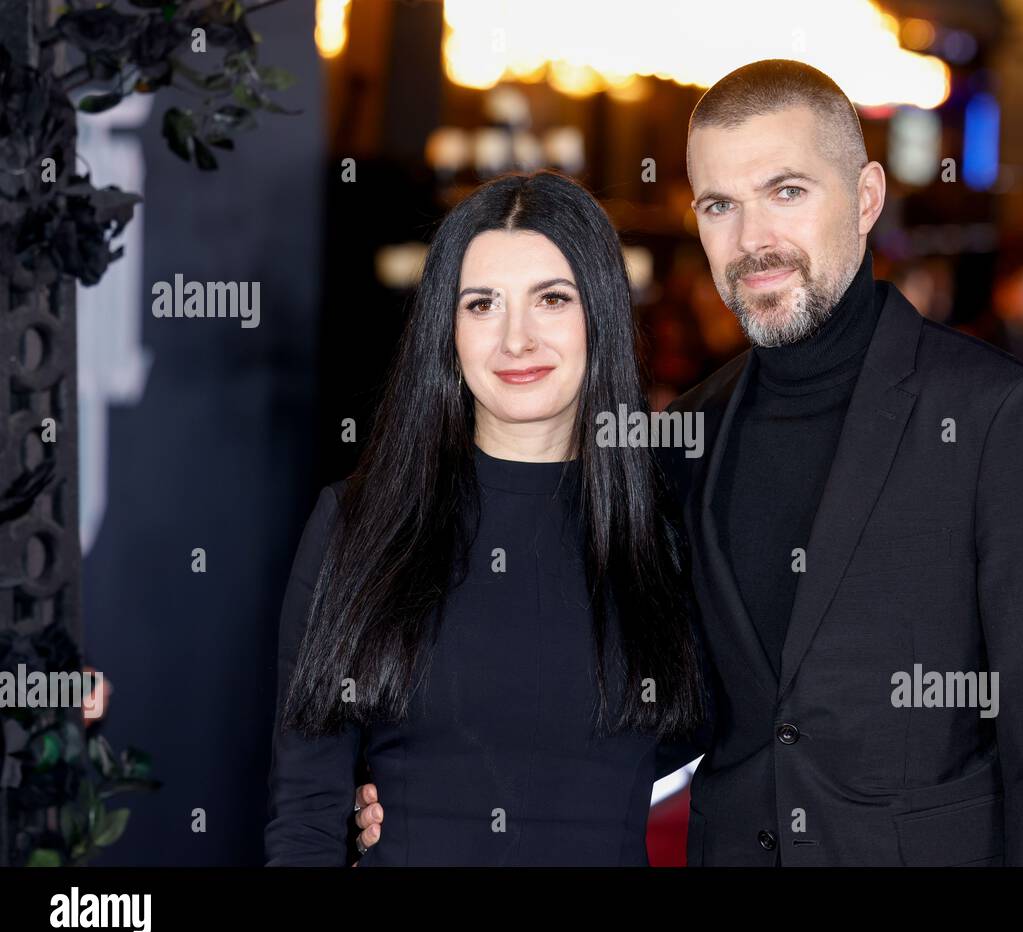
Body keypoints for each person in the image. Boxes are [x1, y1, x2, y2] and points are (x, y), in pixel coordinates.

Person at [356, 59, 1023, 866]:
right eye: (721, 205)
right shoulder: (688, 434)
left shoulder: (998, 418)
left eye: (787, 191)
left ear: (865, 197)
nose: (753, 241)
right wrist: (437, 782)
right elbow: (666, 714)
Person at [264, 171, 707, 866]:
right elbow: (305, 818)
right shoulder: (359, 524)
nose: (516, 339)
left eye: (552, 299)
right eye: (482, 304)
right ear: (447, 326)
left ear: (601, 312)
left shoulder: (668, 530)